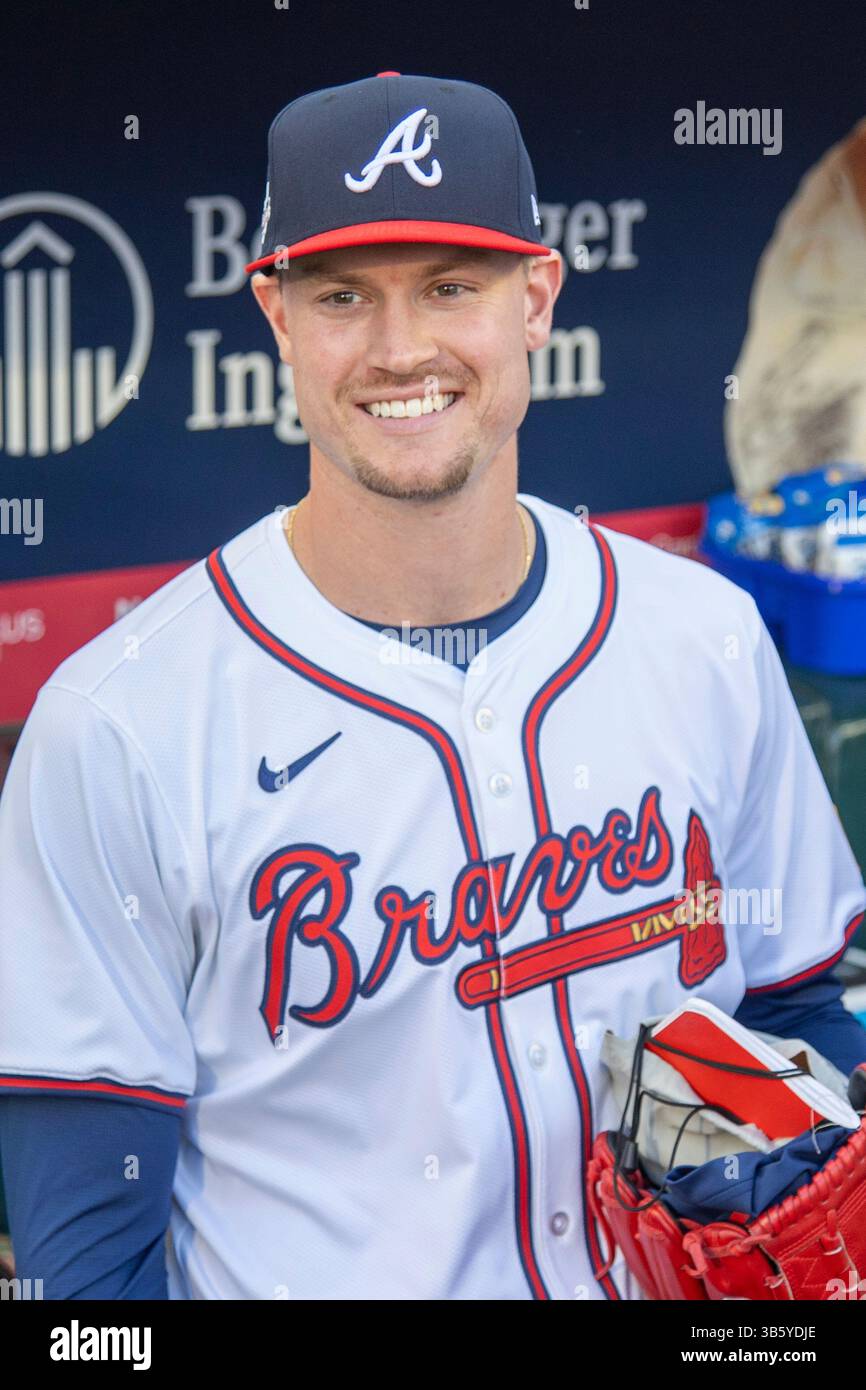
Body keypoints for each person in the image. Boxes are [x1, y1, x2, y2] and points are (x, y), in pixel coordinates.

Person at [1, 71, 865, 1302]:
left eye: (450, 287)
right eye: (344, 295)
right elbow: (89, 1271)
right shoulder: (120, 726)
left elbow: (798, 1013)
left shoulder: (705, 637)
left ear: (537, 300)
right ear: (276, 315)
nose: (401, 349)